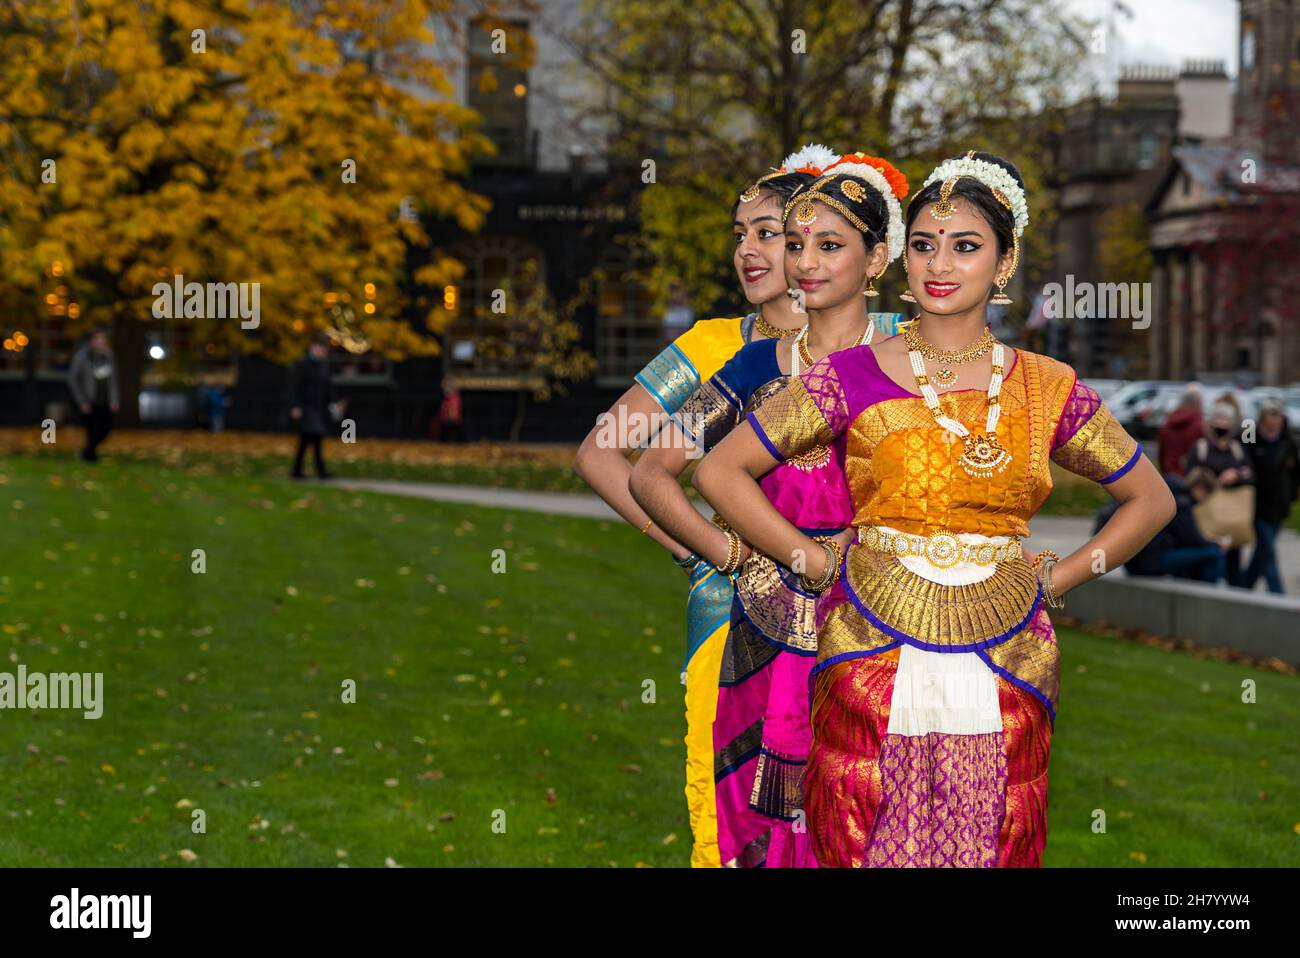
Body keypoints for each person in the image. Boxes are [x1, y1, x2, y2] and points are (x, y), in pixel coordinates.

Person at [694, 151, 1174, 867]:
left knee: (994, 838)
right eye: (923, 245)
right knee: (859, 837)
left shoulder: (1045, 386)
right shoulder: (850, 373)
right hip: (868, 646)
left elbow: (1150, 498)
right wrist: (814, 561)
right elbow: (722, 469)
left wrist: (1058, 580)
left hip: (1009, 654)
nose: (938, 264)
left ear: (1004, 263)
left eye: (965, 246)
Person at [631, 152, 909, 867]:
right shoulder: (751, 370)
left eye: (826, 245)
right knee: (747, 838)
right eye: (793, 245)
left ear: (876, 259)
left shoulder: (907, 368)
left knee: (868, 827)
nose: (804, 262)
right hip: (760, 636)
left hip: (878, 630)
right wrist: (724, 553)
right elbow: (652, 471)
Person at [573, 143, 841, 867]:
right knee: (727, 829)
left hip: (848, 618)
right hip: (731, 617)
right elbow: (604, 455)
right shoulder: (715, 349)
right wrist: (702, 552)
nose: (746, 252)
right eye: (739, 235)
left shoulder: (870, 348)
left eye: (765, 233)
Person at [1117, 469, 1228, 583]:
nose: (1205, 501)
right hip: (1150, 562)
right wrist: (1216, 543)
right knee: (1214, 554)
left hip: (1135, 561)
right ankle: (1207, 596)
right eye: (1207, 495)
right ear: (1200, 489)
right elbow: (1193, 540)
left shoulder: (1170, 495)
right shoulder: (1182, 503)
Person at [1185, 400, 1254, 584]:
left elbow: (1251, 475)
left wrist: (1237, 475)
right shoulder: (1201, 448)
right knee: (1209, 561)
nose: (1222, 424)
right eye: (1219, 419)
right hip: (1207, 514)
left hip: (1232, 515)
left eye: (1226, 420)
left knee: (1233, 565)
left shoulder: (1238, 448)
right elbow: (1190, 476)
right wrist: (1213, 480)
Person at [1241, 398, 1299, 593]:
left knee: (1262, 553)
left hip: (1278, 506)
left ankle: (1243, 587)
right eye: (1271, 415)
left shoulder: (1288, 441)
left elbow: (1294, 473)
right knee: (1268, 551)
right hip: (1257, 504)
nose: (1275, 421)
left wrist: (1291, 495)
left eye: (1278, 416)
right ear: (1263, 418)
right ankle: (1278, 595)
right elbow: (1240, 451)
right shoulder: (1252, 435)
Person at [288, 335, 345, 479]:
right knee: (312, 438)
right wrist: (295, 405)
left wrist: (334, 401)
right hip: (307, 407)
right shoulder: (302, 364)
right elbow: (294, 386)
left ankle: (302, 471)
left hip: (318, 408)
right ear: (313, 348)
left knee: (310, 439)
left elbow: (328, 387)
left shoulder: (323, 366)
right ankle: (316, 471)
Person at [67, 328, 120, 462]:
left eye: (103, 339)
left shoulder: (108, 356)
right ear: (91, 341)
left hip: (105, 400)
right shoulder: (82, 357)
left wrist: (114, 399)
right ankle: (90, 456)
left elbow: (113, 380)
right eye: (98, 339)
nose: (101, 342)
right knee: (92, 430)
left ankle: (87, 453)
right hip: (89, 400)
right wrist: (82, 401)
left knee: (105, 430)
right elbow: (74, 379)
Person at [1157, 384, 1203, 476]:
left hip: (1168, 474)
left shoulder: (1168, 422)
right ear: (1198, 403)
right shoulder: (1199, 425)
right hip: (1191, 478)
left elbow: (1161, 452)